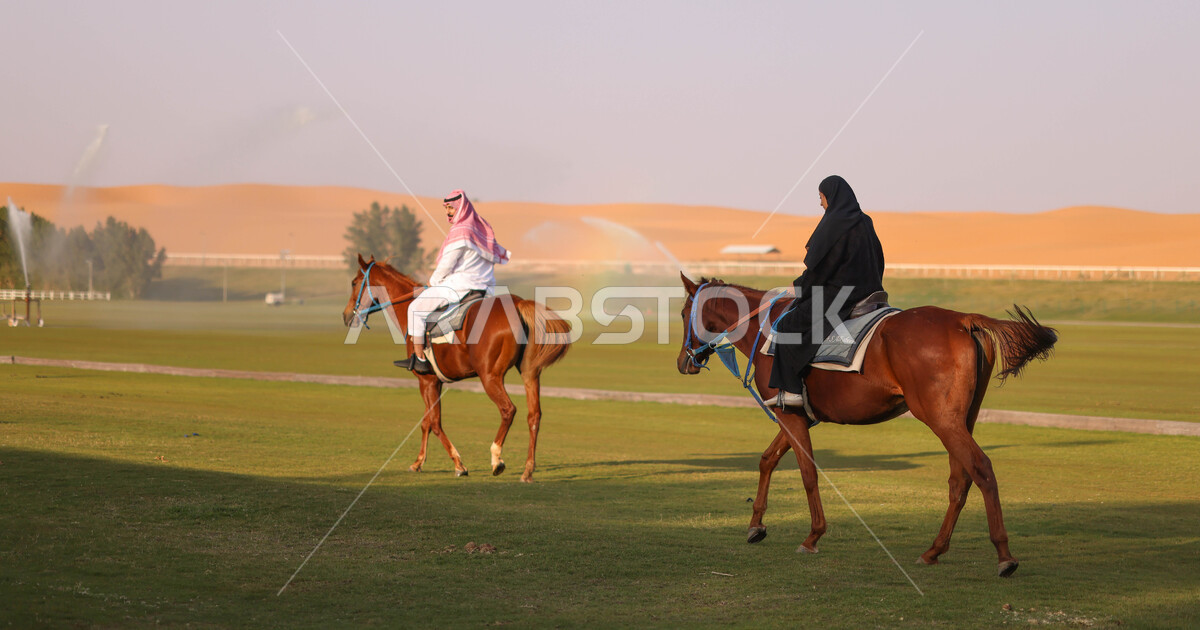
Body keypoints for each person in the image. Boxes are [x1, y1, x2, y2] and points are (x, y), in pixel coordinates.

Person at [764, 175, 885, 410]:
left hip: (839, 295)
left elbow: (822, 270)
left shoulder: (834, 226)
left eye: (821, 197)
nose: (821, 203)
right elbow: (879, 259)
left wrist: (799, 287)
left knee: (787, 325)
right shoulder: (865, 221)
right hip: (871, 291)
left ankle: (791, 390)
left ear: (831, 196)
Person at [397, 190, 510, 374]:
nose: (448, 211)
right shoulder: (481, 227)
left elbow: (447, 264)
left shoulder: (460, 230)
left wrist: (434, 281)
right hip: (485, 288)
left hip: (460, 286)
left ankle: (419, 359)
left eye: (451, 208)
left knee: (415, 309)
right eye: (447, 208)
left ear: (461, 207)